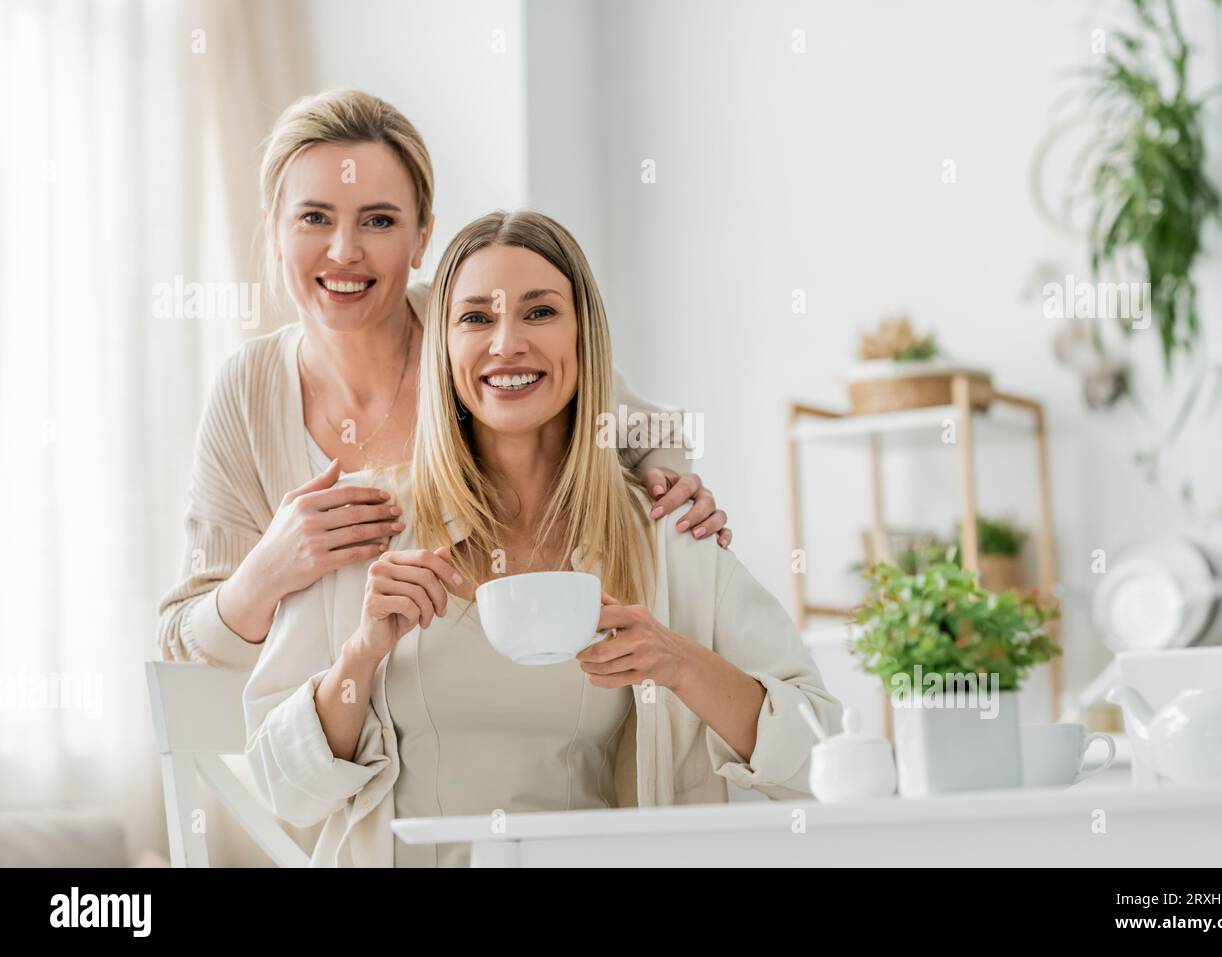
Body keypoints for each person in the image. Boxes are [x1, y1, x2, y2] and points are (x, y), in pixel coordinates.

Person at [243, 209, 841, 866]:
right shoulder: (364, 524)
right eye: (475, 317)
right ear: (442, 347)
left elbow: (824, 760)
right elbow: (280, 787)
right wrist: (360, 655)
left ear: (585, 338)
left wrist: (677, 661)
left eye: (539, 312)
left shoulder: (666, 536)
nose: (506, 343)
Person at [158, 90, 730, 669]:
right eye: (314, 218)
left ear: (423, 239)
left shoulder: (474, 328)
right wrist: (267, 571)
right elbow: (181, 643)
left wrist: (667, 479)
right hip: (337, 743)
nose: (344, 250)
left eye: (378, 220)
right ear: (274, 232)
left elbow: (636, 427)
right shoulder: (248, 388)